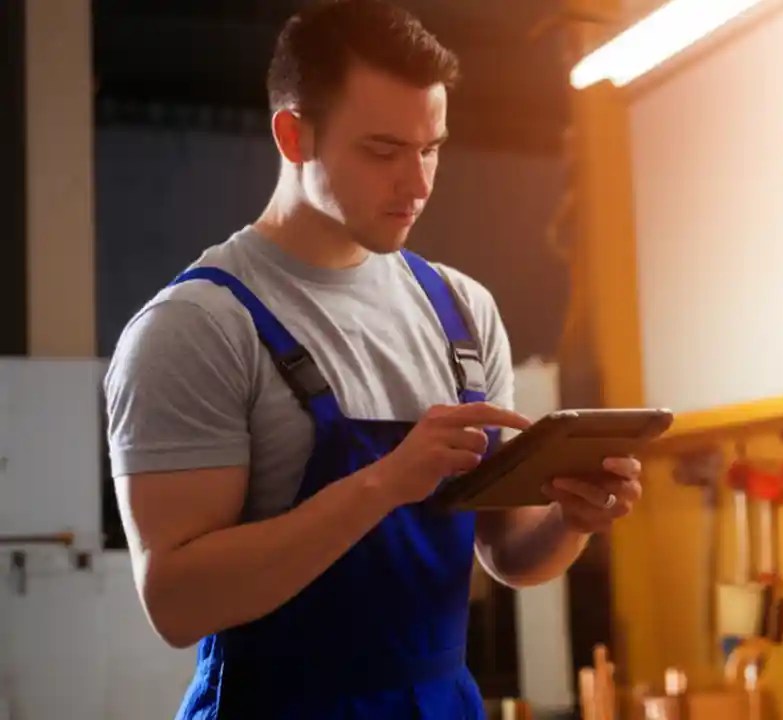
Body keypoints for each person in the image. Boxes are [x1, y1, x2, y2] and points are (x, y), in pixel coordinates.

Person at [102, 0, 643, 717]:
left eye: (432, 149)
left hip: (441, 699)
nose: (417, 184)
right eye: (383, 152)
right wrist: (384, 484)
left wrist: (573, 518)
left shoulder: (462, 312)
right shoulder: (199, 327)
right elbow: (175, 603)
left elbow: (507, 555)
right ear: (294, 135)